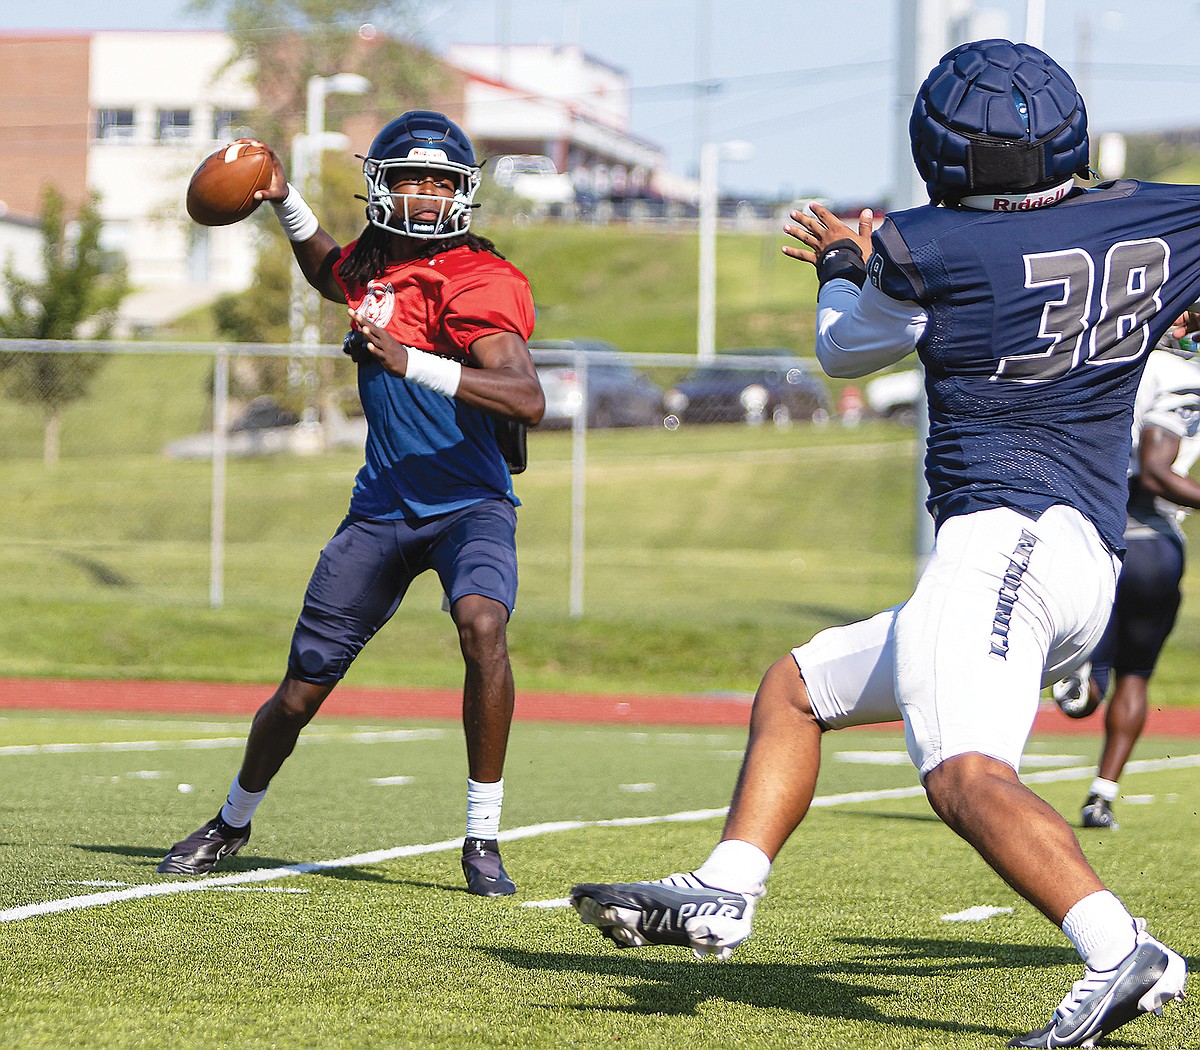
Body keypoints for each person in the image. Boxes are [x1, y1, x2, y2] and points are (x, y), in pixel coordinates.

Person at [569, 39, 1190, 1047]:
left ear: (941, 150)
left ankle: (1121, 950)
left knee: (963, 775)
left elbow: (846, 349)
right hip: (1086, 559)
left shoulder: (926, 242)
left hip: (1005, 545)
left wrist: (842, 264)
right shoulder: (1161, 215)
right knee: (797, 689)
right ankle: (727, 888)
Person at [158, 110, 545, 897]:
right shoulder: (373, 266)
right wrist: (280, 196)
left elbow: (527, 398)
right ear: (382, 187)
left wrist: (413, 363)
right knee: (301, 689)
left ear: (463, 194)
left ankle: (482, 837)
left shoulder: (481, 279)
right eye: (412, 179)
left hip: (470, 501)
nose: (428, 195)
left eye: (441, 183)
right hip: (381, 507)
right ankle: (232, 819)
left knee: (482, 623)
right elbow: (327, 270)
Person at [1051, 308, 1200, 831]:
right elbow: (1158, 471)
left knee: (1098, 680)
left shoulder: (1113, 359)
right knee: (1136, 675)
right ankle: (1101, 795)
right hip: (1148, 539)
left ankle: (1084, 676)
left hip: (1097, 529)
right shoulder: (1180, 375)